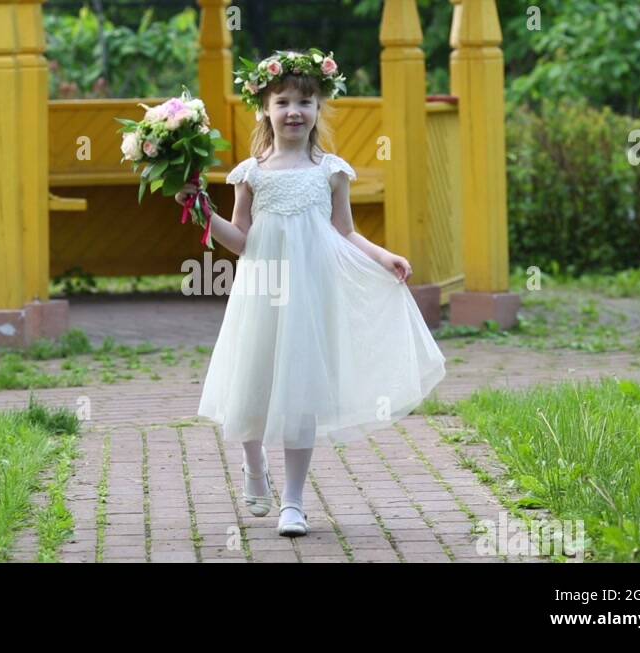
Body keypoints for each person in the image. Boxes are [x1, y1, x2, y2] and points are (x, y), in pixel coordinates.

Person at [175, 49, 446, 537]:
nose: (294, 111)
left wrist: (383, 257)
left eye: (305, 101)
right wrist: (200, 211)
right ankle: (254, 468)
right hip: (262, 289)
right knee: (253, 379)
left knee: (300, 388)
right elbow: (240, 239)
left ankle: (293, 502)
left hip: (309, 294)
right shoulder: (251, 173)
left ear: (320, 108)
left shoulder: (331, 171)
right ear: (264, 108)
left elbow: (345, 231)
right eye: (282, 102)